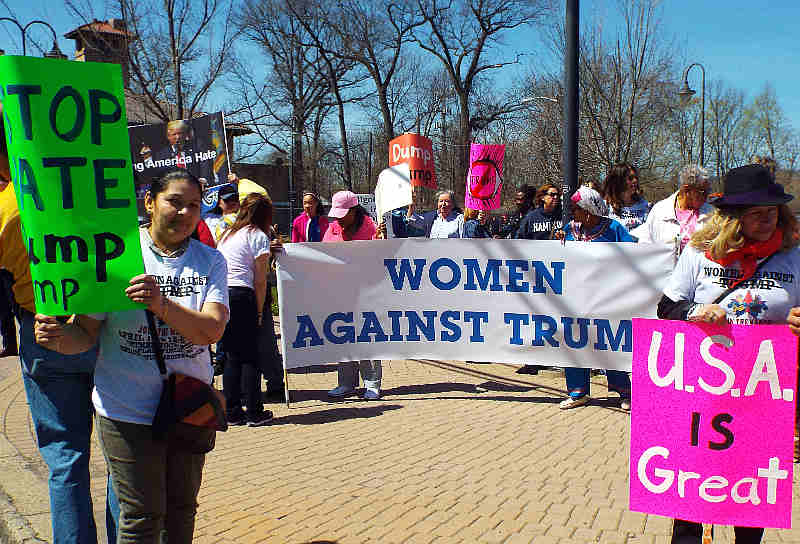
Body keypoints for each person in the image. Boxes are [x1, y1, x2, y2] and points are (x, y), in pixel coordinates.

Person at [34, 168, 229, 543]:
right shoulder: (119, 255)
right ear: (150, 203)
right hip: (126, 410)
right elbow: (85, 334)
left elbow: (211, 329)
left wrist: (161, 304)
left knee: (181, 511)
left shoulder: (210, 261)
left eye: (193, 205)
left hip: (189, 406)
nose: (186, 213)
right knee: (141, 516)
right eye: (175, 201)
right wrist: (58, 339)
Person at [657, 164, 799, 544]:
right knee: (692, 492)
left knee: (750, 498)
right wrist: (697, 314)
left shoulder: (794, 257)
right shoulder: (700, 252)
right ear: (733, 218)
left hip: (761, 397)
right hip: (702, 393)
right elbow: (666, 307)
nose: (768, 219)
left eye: (773, 210)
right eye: (757, 212)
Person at [0, 99, 119, 543]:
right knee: (116, 457)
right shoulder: (96, 192)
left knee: (65, 459)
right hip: (104, 328)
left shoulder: (8, 208)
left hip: (45, 335)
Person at [558, 186, 634, 410]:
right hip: (576, 299)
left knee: (609, 342)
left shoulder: (614, 229)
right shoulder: (570, 229)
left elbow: (632, 255)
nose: (572, 212)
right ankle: (578, 391)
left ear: (588, 210)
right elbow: (558, 256)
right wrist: (557, 242)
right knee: (575, 341)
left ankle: (624, 391)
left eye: (575, 208)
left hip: (607, 298)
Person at [217, 194, 276, 426]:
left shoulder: (228, 234)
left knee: (232, 354)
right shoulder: (258, 236)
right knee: (251, 354)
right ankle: (254, 410)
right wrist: (260, 310)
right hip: (243, 294)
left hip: (223, 294)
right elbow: (260, 280)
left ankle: (232, 410)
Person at [323, 191, 383, 400]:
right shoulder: (333, 228)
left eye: (342, 213)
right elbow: (322, 253)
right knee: (344, 336)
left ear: (354, 211)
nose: (338, 218)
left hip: (366, 291)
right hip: (340, 291)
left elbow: (381, 259)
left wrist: (382, 243)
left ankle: (372, 383)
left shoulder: (370, 228)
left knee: (367, 336)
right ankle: (346, 383)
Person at [632, 164, 713, 260]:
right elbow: (646, 246)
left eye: (709, 191)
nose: (707, 196)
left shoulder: (711, 213)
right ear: (686, 190)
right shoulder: (660, 210)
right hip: (664, 272)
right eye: (703, 192)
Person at [601, 163, 650, 232]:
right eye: (630, 178)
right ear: (618, 181)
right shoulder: (604, 207)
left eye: (636, 178)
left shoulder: (645, 207)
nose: (635, 181)